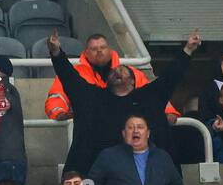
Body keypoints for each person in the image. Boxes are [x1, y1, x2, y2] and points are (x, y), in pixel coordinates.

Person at [48, 29, 200, 172]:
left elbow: (171, 76)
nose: (118, 71)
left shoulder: (148, 96)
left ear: (134, 82)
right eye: (115, 72)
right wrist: (56, 52)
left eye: (124, 71)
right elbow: (69, 77)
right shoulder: (94, 97)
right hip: (99, 172)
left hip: (145, 173)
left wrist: (188, 50)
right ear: (107, 82)